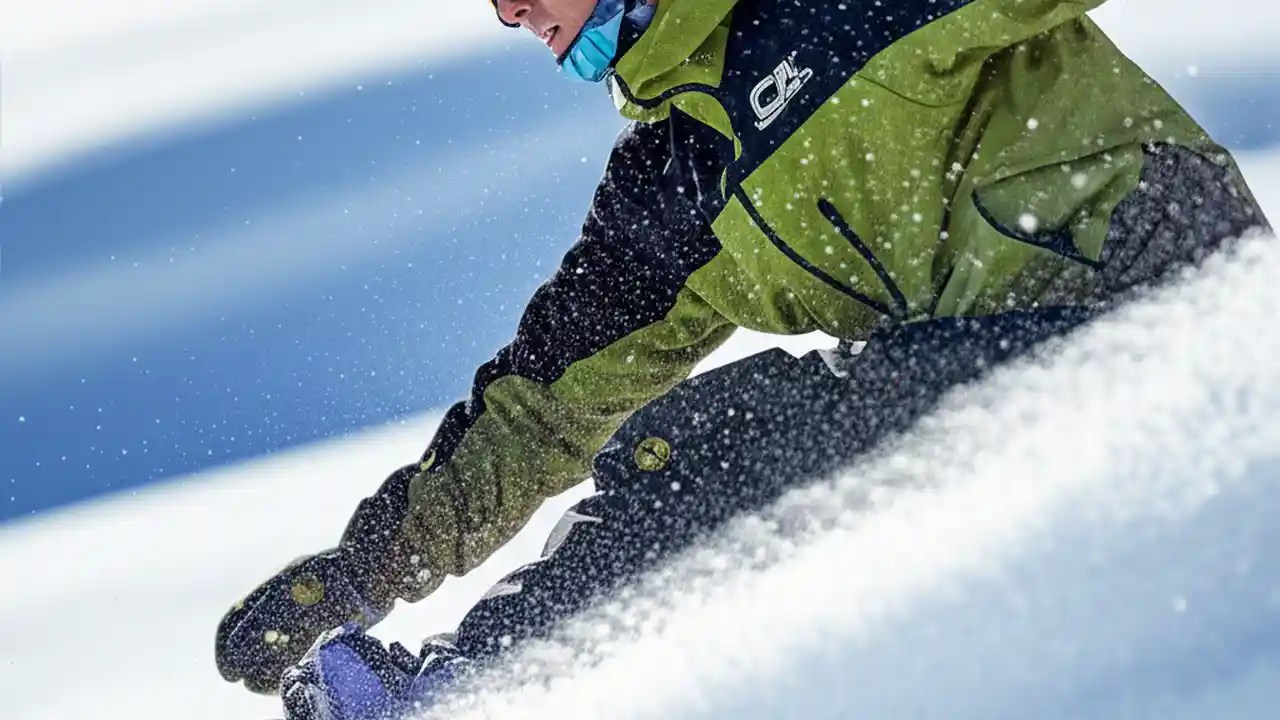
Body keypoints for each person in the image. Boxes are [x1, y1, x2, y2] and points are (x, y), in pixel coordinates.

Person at [215, 0, 1270, 717]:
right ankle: (461, 688)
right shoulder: (683, 177)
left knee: (722, 440)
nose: (506, 10)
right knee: (683, 457)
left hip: (1158, 322)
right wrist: (367, 569)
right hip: (987, 384)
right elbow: (538, 411)